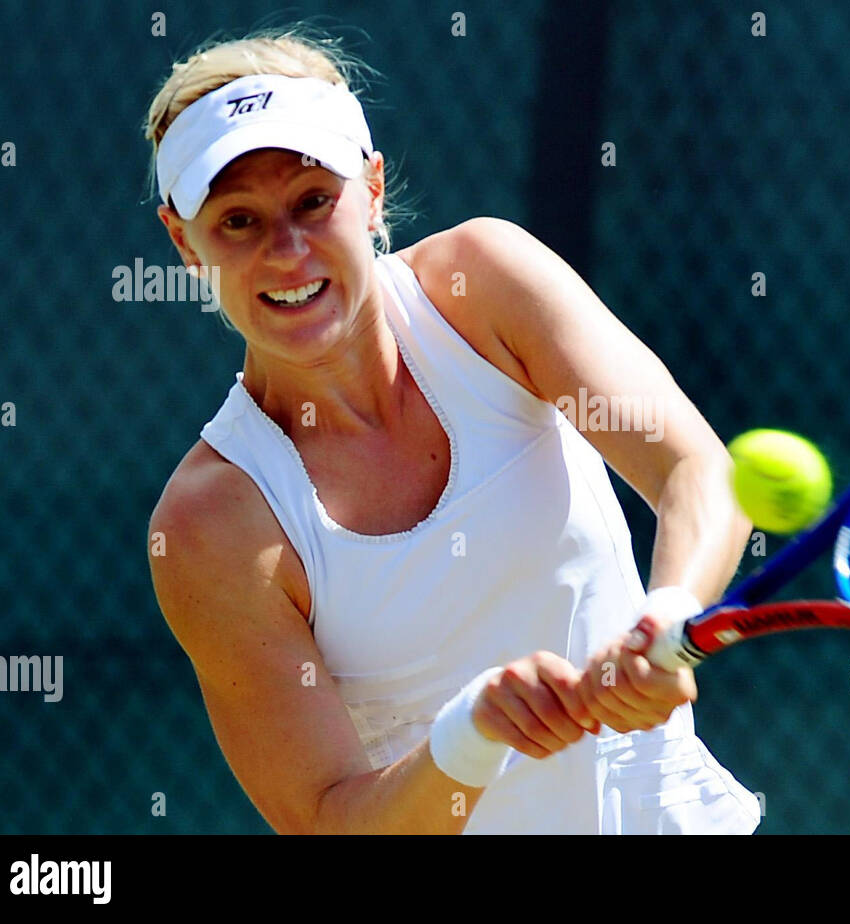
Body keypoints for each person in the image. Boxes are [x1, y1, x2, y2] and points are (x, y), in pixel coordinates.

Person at [145, 27, 761, 834]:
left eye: (312, 201)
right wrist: (471, 737)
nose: (288, 253)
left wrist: (667, 618)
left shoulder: (488, 289)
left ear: (371, 188)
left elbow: (696, 473)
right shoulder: (210, 528)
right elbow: (332, 821)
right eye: (238, 222)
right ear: (183, 242)